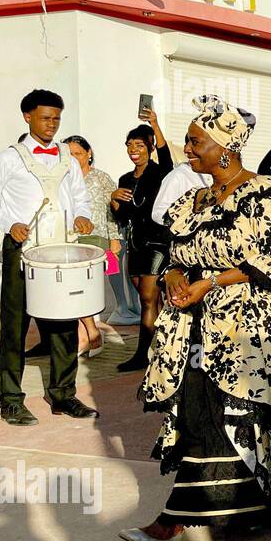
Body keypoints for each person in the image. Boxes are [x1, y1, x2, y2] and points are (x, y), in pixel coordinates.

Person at [119, 107, 271, 541]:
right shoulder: (194, 200)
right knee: (201, 412)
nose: (189, 150)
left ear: (227, 148)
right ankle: (252, 507)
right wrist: (176, 273)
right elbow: (180, 251)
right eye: (189, 141)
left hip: (251, 333)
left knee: (233, 414)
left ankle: (172, 523)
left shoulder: (263, 195)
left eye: (198, 142)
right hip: (198, 329)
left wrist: (209, 281)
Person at [0, 91, 97, 425]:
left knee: (64, 324)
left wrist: (82, 216)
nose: (52, 124)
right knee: (14, 327)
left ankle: (63, 396)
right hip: (21, 251)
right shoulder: (10, 158)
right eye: (45, 117)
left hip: (61, 249)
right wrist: (9, 224)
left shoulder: (67, 158)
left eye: (56, 118)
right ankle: (11, 399)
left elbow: (80, 198)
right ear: (27, 116)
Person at [111, 110, 174, 372]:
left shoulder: (160, 172)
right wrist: (114, 198)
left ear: (149, 147)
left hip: (157, 243)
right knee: (149, 299)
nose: (133, 150)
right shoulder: (126, 179)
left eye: (139, 145)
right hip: (135, 243)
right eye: (129, 146)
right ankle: (163, 350)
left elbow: (166, 155)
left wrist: (155, 125)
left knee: (148, 299)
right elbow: (123, 215)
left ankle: (142, 355)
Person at [62, 135, 120, 358]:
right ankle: (87, 335)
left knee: (87, 290)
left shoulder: (101, 178)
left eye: (77, 153)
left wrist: (114, 238)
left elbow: (112, 210)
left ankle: (90, 334)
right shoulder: (64, 179)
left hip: (96, 239)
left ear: (89, 154)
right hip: (70, 238)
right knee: (72, 289)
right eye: (69, 154)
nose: (74, 158)